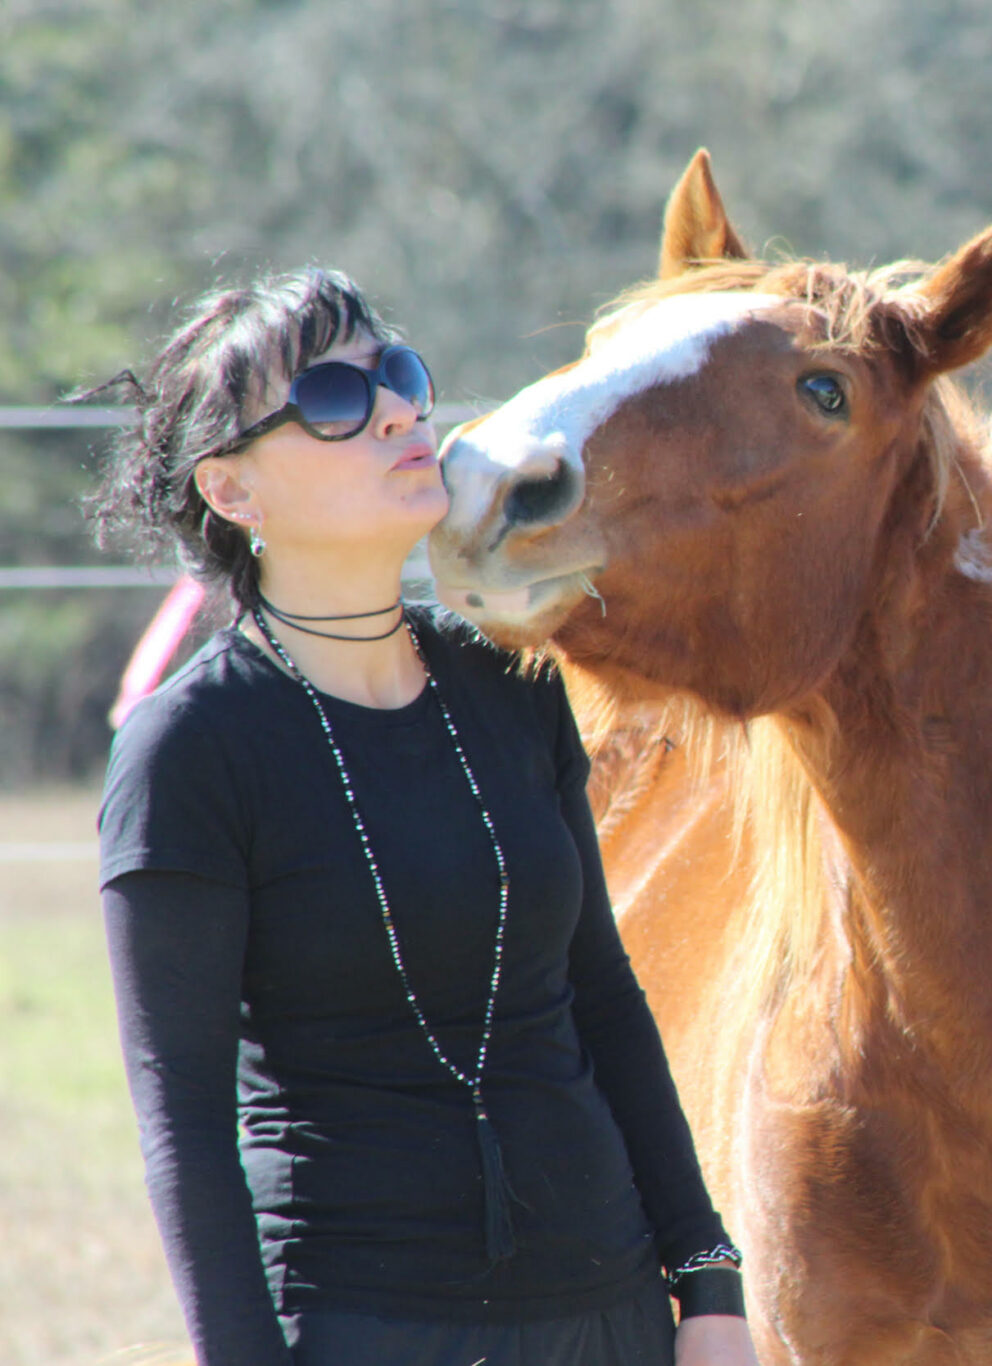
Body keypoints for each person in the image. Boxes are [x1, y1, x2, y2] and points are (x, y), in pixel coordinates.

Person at [87, 268, 759, 1366]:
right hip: (363, 1321)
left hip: (607, 1307)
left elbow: (601, 998)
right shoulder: (189, 750)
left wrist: (707, 1284)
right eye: (337, 402)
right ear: (232, 491)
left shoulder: (515, 685)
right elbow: (185, 1125)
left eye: (397, 376)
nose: (399, 411)